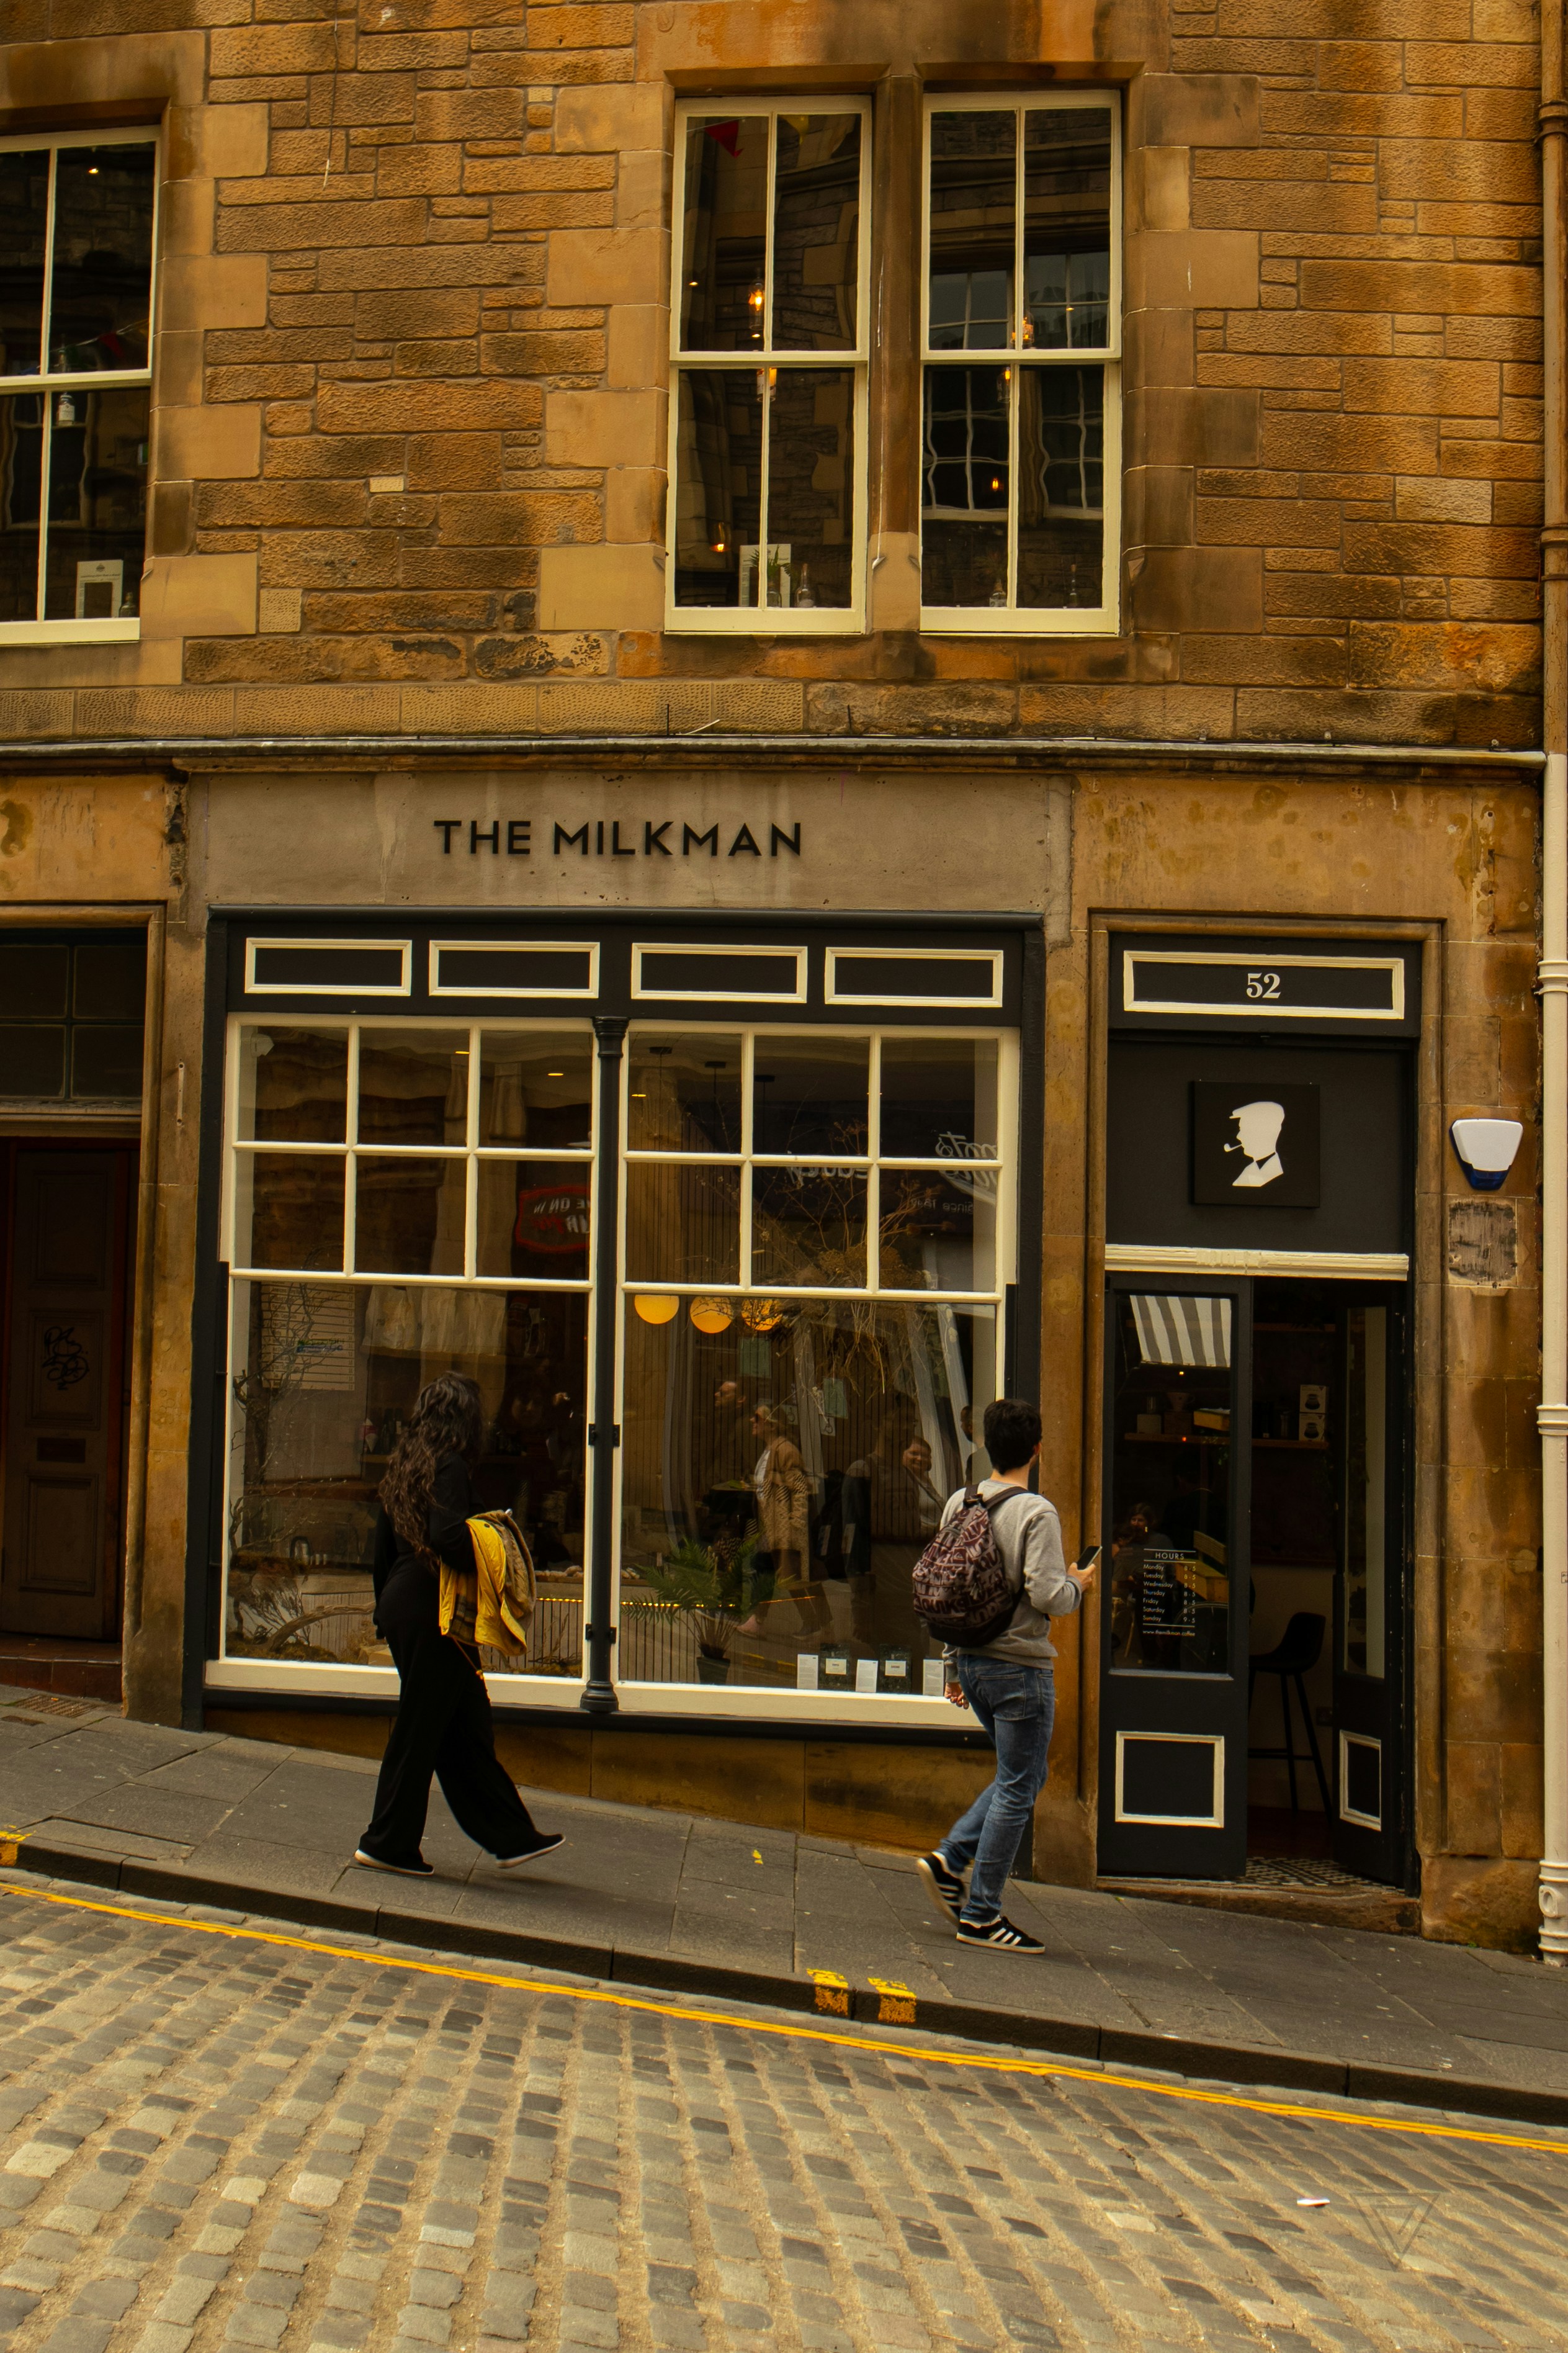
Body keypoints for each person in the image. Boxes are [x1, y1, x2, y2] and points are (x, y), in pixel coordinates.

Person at [354, 1371, 563, 1878]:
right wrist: (494, 1550)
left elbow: (381, 1547)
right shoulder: (448, 1465)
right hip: (435, 1611)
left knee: (465, 1721)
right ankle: (386, 1843)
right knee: (421, 1729)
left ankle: (510, 1835)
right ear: (465, 1421)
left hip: (407, 1604)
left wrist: (385, 1612)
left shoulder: (406, 1463)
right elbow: (447, 1538)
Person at [916, 1397, 1096, 1952]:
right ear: (1036, 1449)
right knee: (1021, 1784)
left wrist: (951, 1665)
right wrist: (1080, 1585)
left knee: (1021, 1775)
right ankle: (982, 1912)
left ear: (986, 1446)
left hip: (972, 1665)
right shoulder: (1036, 1512)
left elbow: (949, 1589)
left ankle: (951, 1858)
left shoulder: (958, 1500)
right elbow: (1048, 1596)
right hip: (1019, 1670)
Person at [735, 1402, 831, 1642]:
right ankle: (814, 1622)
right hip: (772, 1525)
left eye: (757, 1418)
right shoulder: (771, 1450)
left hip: (784, 1527)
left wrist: (795, 1525)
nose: (752, 1422)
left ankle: (818, 1623)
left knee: (789, 1574)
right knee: (787, 1575)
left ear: (770, 1423)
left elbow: (799, 1490)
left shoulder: (786, 1450)